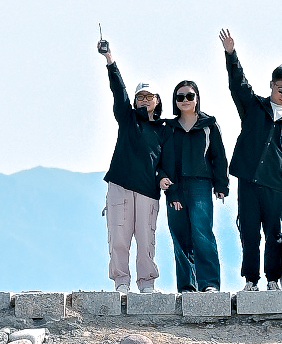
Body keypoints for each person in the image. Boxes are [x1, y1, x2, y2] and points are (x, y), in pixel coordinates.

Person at [220, 29, 282, 291]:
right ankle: (250, 280)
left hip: (275, 184)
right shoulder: (254, 107)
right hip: (248, 180)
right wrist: (231, 54)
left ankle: (272, 279)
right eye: (281, 89)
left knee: (273, 233)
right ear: (272, 85)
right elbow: (238, 84)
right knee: (248, 231)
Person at [98, 43, 164, 293]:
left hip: (148, 190)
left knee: (146, 240)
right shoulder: (127, 119)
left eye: (149, 96)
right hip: (120, 185)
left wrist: (164, 177)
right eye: (140, 97)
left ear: (157, 100)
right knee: (118, 237)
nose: (144, 100)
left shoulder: (164, 129)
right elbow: (119, 92)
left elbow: (167, 162)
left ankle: (147, 283)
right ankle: (121, 282)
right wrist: (110, 60)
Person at [156, 79, 229, 290]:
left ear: (197, 98)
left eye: (190, 96)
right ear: (175, 101)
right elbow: (159, 159)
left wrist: (221, 185)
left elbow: (219, 156)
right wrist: (167, 184)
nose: (185, 100)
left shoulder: (209, 125)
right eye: (180, 97)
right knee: (179, 236)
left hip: (201, 186)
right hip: (175, 187)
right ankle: (187, 287)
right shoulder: (168, 128)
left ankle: (210, 284)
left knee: (202, 233)